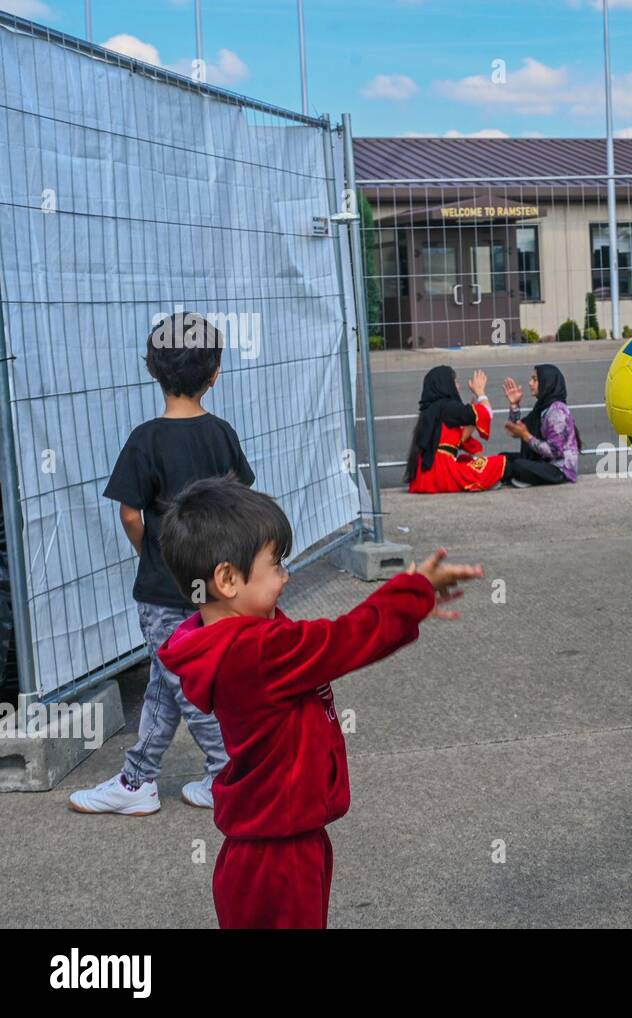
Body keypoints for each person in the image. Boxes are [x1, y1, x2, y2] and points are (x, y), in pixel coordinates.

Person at [156, 476, 481, 928]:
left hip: (274, 843)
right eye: (276, 565)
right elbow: (344, 641)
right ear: (228, 579)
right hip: (278, 856)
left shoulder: (231, 641)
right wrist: (413, 592)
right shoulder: (255, 652)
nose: (286, 577)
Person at [69, 311, 253, 817]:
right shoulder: (221, 433)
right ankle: (139, 778)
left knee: (185, 682)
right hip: (215, 587)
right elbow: (239, 499)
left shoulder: (145, 439)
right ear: (215, 374)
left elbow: (131, 513)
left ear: (151, 369)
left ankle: (227, 774)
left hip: (164, 589)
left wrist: (152, 552)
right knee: (168, 680)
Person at [405, 366, 506, 493]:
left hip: (425, 477)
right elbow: (486, 413)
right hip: (442, 473)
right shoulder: (447, 407)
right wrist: (480, 393)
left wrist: (473, 415)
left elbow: (459, 438)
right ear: (446, 384)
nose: (457, 386)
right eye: (455, 382)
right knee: (500, 461)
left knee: (467, 460)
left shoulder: (429, 410)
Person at [501, 364, 581, 487]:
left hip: (558, 469)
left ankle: (525, 477)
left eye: (535, 379)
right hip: (542, 460)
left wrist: (527, 436)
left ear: (547, 382)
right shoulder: (542, 407)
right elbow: (514, 430)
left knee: (517, 465)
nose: (530, 383)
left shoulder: (557, 412)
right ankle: (523, 477)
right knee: (503, 458)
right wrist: (514, 405)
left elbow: (555, 452)